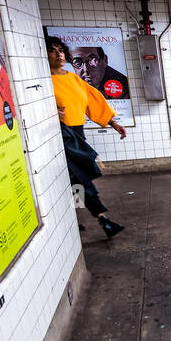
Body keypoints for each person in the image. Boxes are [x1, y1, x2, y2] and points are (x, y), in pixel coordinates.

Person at [48, 36, 127, 237]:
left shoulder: (73, 78)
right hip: (58, 135)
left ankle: (75, 218)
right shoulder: (44, 81)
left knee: (73, 178)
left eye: (61, 50)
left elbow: (94, 101)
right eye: (53, 50)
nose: (59, 54)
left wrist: (113, 123)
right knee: (78, 177)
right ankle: (102, 218)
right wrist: (48, 111)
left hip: (77, 132)